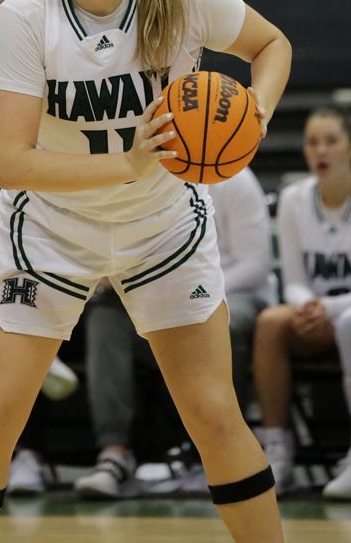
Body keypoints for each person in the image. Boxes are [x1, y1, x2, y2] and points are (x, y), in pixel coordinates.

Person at [0, 0, 290, 542]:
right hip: (50, 232)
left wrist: (256, 114)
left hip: (161, 226)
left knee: (216, 417)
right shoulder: (24, 13)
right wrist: (126, 163)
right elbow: (10, 164)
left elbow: (271, 45)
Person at [73, 166, 273, 500]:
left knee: (220, 319)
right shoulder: (147, 175)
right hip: (162, 294)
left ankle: (221, 449)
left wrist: (197, 290)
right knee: (105, 313)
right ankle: (114, 452)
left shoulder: (236, 177)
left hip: (234, 292)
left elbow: (256, 264)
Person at [252, 107, 351, 499]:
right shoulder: (294, 199)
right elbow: (294, 283)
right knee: (269, 323)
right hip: (318, 318)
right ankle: (278, 452)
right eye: (312, 142)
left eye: (331, 141)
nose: (321, 151)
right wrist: (310, 308)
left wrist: (329, 310)